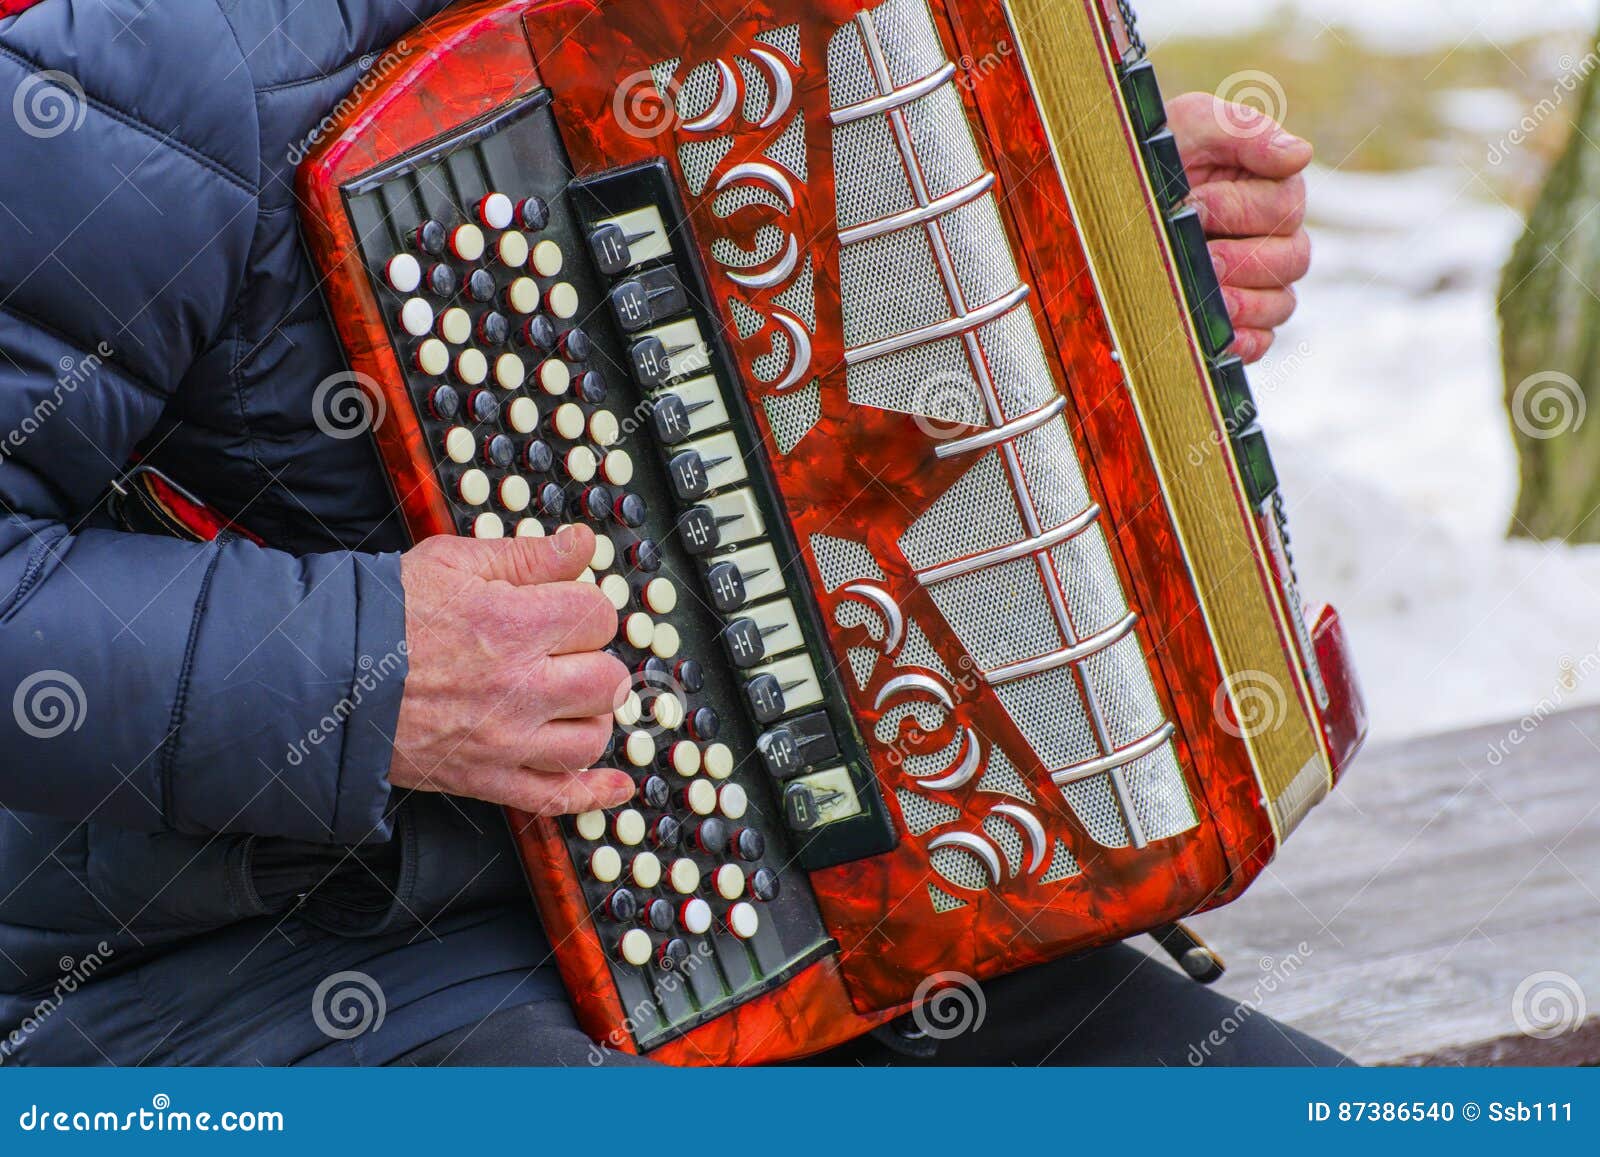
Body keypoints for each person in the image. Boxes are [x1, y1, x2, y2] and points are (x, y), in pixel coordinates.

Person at [0, 0, 1321, 1066]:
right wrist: (371, 670)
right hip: (271, 967)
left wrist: (1099, 240)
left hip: (828, 905)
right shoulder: (144, 69)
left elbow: (843, 393)